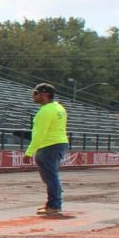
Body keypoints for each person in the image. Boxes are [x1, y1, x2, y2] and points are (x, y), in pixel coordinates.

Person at [24, 82, 70, 215]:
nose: (34, 96)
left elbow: (39, 134)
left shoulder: (45, 111)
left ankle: (54, 205)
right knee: (52, 176)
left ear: (44, 94)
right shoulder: (59, 108)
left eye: (36, 93)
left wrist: (29, 152)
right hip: (59, 143)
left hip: (49, 145)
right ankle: (54, 203)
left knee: (50, 177)